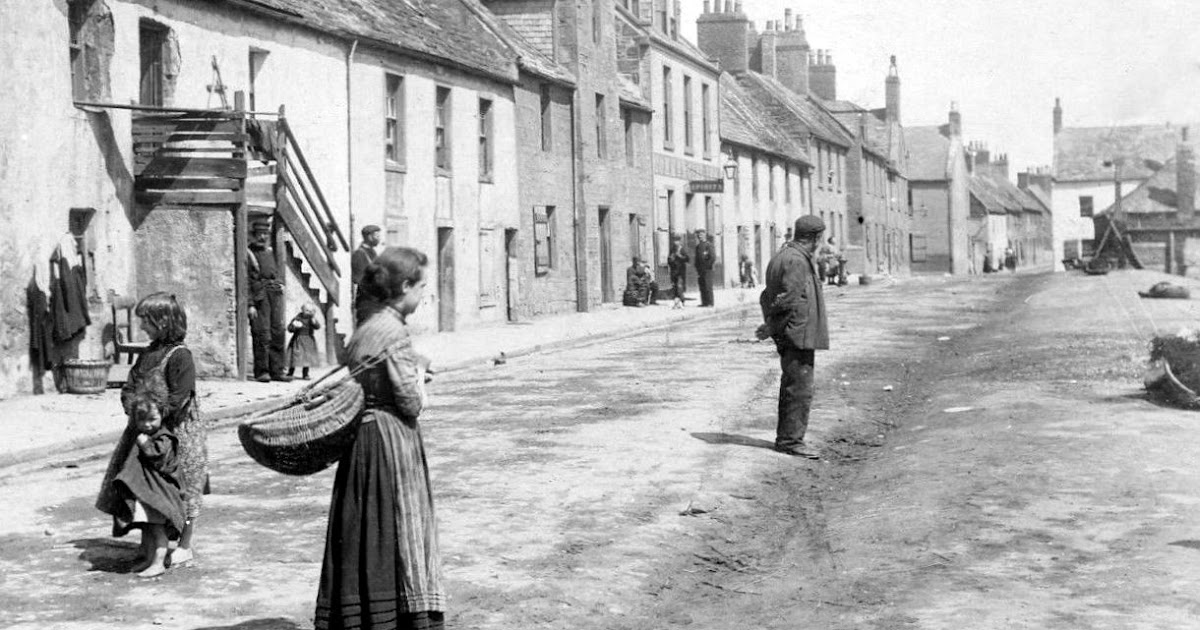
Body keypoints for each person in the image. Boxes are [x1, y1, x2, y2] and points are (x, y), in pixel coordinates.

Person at [316, 247, 445, 630]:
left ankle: (359, 615)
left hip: (362, 440)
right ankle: (396, 617)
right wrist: (420, 375)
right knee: (397, 527)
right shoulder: (396, 331)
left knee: (362, 530)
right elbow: (409, 402)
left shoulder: (366, 329)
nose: (423, 296)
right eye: (421, 287)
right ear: (404, 287)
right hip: (391, 441)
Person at [97, 292, 207, 568]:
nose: (142, 326)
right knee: (141, 483)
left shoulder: (181, 356)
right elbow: (130, 386)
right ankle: (150, 544)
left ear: (163, 322)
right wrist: (135, 409)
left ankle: (184, 545)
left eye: (146, 320)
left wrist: (155, 418)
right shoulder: (147, 353)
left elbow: (179, 398)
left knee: (184, 485)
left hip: (177, 432)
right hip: (144, 426)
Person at [97, 373, 186, 578]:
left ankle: (159, 562)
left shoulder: (164, 437)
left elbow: (161, 460)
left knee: (157, 530)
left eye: (152, 419)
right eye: (141, 419)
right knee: (147, 528)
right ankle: (148, 558)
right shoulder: (144, 434)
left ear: (162, 414)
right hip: (146, 493)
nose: (147, 425)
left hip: (158, 494)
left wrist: (145, 445)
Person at [755, 215, 829, 460]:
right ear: (816, 237)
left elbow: (768, 297)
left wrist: (770, 325)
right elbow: (786, 299)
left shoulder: (783, 256)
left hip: (791, 331)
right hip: (798, 333)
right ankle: (790, 441)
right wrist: (772, 325)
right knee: (799, 388)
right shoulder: (797, 260)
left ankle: (788, 438)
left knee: (793, 384)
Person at [248, 219, 291, 382]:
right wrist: (250, 304)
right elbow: (245, 281)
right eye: (260, 234)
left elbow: (276, 272)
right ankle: (262, 372)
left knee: (278, 331)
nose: (263, 237)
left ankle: (278, 371)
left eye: (265, 234)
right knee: (262, 334)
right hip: (260, 297)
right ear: (254, 235)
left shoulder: (271, 251)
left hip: (275, 295)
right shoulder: (249, 253)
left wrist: (280, 283)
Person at [351, 224, 382, 320]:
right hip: (366, 304)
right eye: (377, 236)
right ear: (369, 237)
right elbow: (358, 280)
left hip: (376, 302)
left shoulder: (373, 253)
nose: (379, 239)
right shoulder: (359, 254)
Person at [286, 303, 322, 380]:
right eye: (306, 310)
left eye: (310, 310)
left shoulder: (311, 319)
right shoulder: (297, 318)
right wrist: (294, 326)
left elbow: (317, 327)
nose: (308, 312)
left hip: (308, 340)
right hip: (298, 339)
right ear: (302, 310)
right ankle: (290, 372)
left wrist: (314, 320)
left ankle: (305, 374)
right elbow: (289, 328)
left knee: (307, 357)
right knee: (295, 356)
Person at [694, 229, 716, 307]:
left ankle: (710, 303)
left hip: (708, 269)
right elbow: (697, 259)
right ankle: (704, 302)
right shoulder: (698, 246)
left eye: (701, 234)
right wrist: (697, 267)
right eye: (698, 235)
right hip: (700, 270)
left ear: (705, 235)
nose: (700, 236)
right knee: (702, 286)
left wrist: (707, 266)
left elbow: (712, 257)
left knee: (708, 286)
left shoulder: (708, 245)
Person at [667, 236, 689, 302]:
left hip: (680, 271)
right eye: (674, 241)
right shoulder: (672, 249)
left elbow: (687, 259)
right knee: (674, 286)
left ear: (680, 242)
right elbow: (668, 260)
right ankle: (676, 300)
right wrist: (671, 260)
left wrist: (680, 256)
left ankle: (682, 300)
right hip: (674, 271)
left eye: (677, 241)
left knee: (679, 286)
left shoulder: (682, 249)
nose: (675, 242)